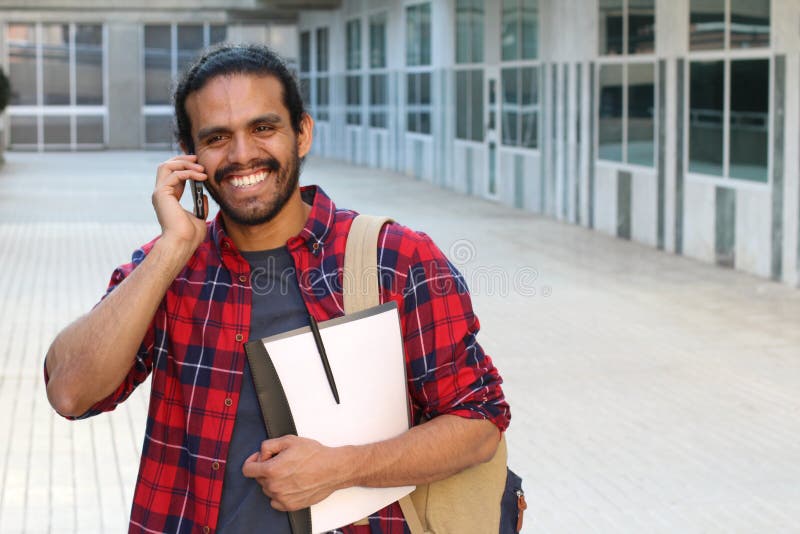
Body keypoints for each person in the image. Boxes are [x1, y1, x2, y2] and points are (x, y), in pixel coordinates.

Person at [44, 43, 510, 534]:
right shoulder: (169, 269)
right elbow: (71, 394)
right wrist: (170, 249)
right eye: (217, 137)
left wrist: (342, 467)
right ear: (190, 155)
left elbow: (478, 424)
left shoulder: (394, 259)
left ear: (301, 133)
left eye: (263, 128)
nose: (243, 155)